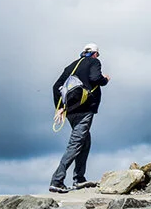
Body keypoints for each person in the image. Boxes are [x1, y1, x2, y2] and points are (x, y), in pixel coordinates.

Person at [49, 43, 110, 193]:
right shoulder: (94, 62)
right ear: (95, 53)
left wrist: (60, 108)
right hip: (85, 109)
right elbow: (95, 78)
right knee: (76, 143)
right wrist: (105, 79)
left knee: (85, 141)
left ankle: (79, 179)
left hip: (70, 111)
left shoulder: (71, 66)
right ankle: (57, 181)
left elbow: (55, 86)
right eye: (98, 54)